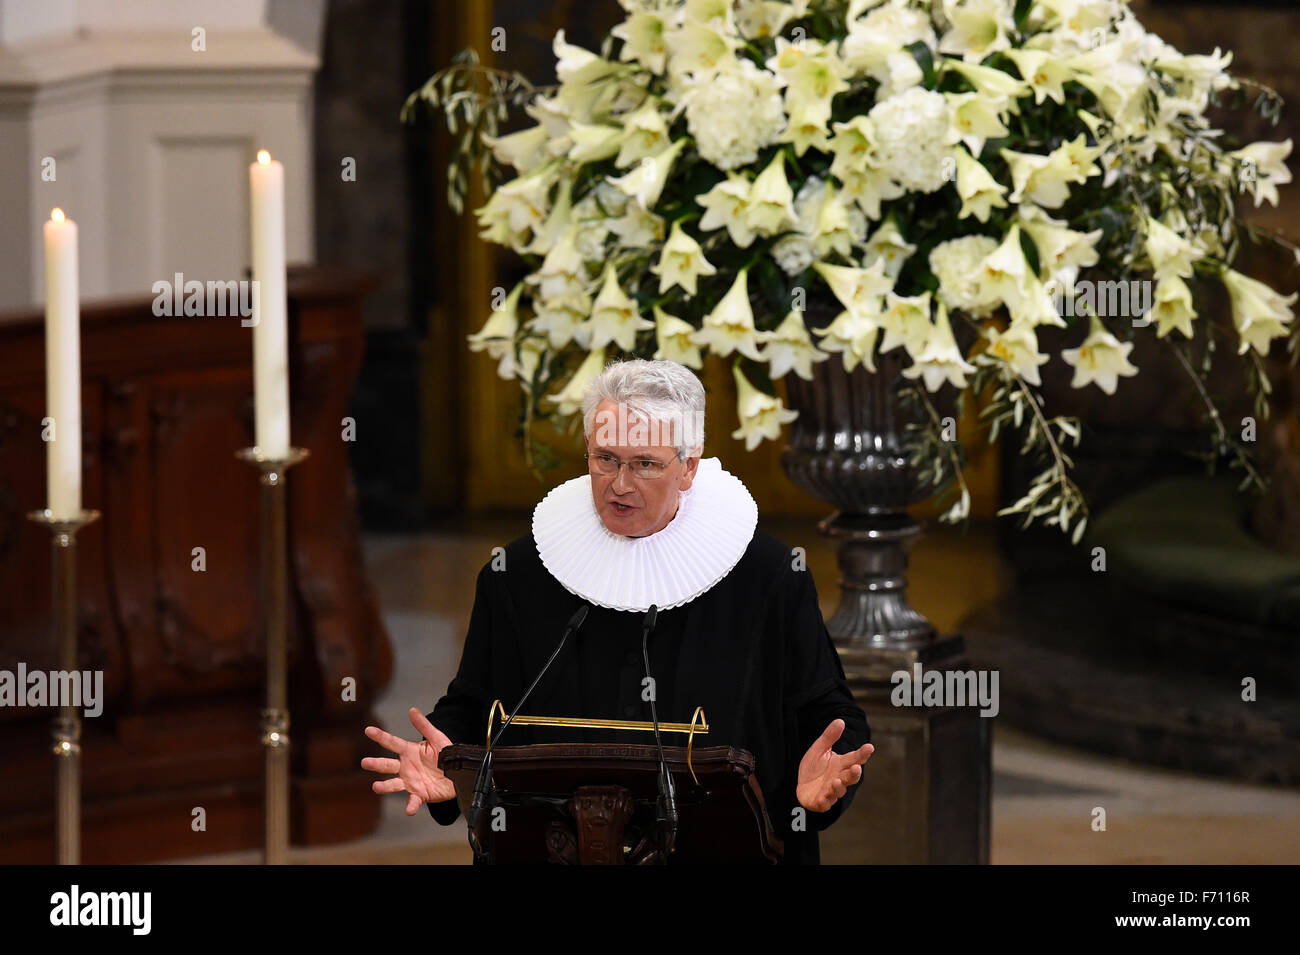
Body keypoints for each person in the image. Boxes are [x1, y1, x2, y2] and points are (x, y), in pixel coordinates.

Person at [362, 358, 873, 864]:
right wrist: (445, 759)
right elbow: (474, 705)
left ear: (689, 466)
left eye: (645, 464)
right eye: (605, 458)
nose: (619, 484)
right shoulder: (516, 573)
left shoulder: (768, 577)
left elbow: (830, 715)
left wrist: (825, 783)